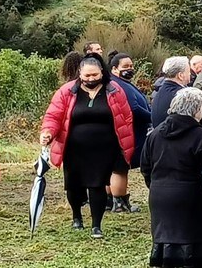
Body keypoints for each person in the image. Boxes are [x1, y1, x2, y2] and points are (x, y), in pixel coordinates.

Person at [41, 54, 137, 238]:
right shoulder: (67, 91)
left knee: (98, 185)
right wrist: (47, 132)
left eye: (95, 75)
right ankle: (77, 217)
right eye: (87, 76)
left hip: (103, 148)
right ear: (80, 73)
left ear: (102, 71)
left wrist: (125, 144)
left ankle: (96, 225)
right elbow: (54, 116)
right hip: (74, 148)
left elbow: (125, 118)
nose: (91, 79)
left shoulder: (114, 90)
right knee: (74, 185)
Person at [143, 86, 202, 268]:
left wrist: (156, 185)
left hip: (159, 196)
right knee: (195, 252)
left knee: (167, 250)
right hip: (192, 198)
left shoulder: (154, 134)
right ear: (196, 109)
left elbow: (146, 167)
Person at [109, 51, 153, 214]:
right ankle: (119, 203)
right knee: (120, 168)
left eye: (131, 66)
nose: (130, 69)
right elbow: (133, 109)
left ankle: (114, 200)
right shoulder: (117, 85)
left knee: (117, 168)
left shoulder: (121, 83)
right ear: (114, 69)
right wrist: (152, 116)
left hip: (131, 132)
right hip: (127, 133)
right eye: (125, 66)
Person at [153, 56, 202, 129]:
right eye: (188, 71)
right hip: (180, 137)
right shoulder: (183, 95)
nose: (190, 74)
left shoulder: (159, 92)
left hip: (161, 135)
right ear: (180, 75)